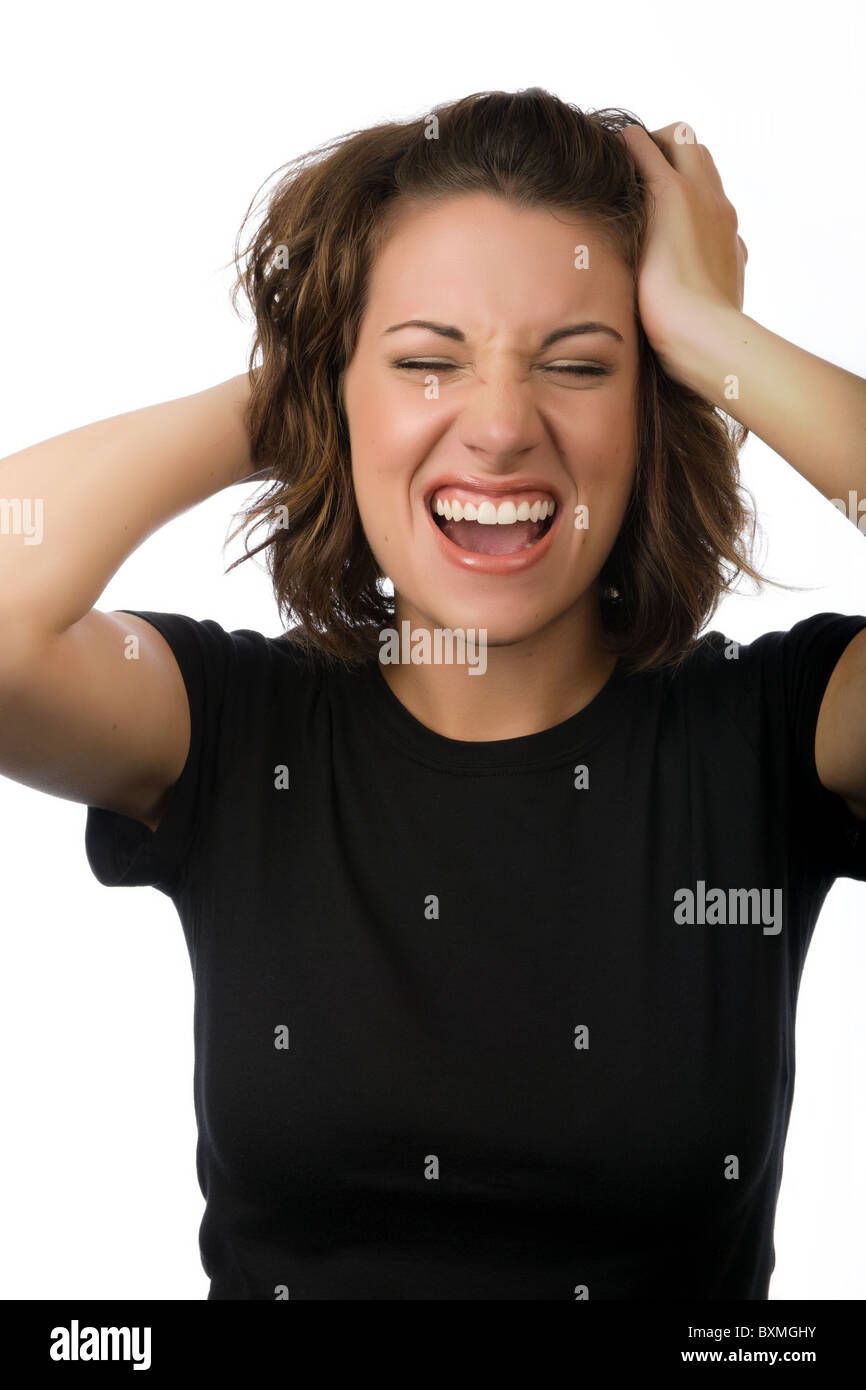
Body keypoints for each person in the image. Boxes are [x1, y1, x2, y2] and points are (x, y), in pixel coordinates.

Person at [1, 88, 865, 1301]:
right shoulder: (236, 730)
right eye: (423, 361)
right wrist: (305, 388)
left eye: (577, 363)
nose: (502, 427)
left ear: (655, 401)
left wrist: (711, 333)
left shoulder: (772, 733)